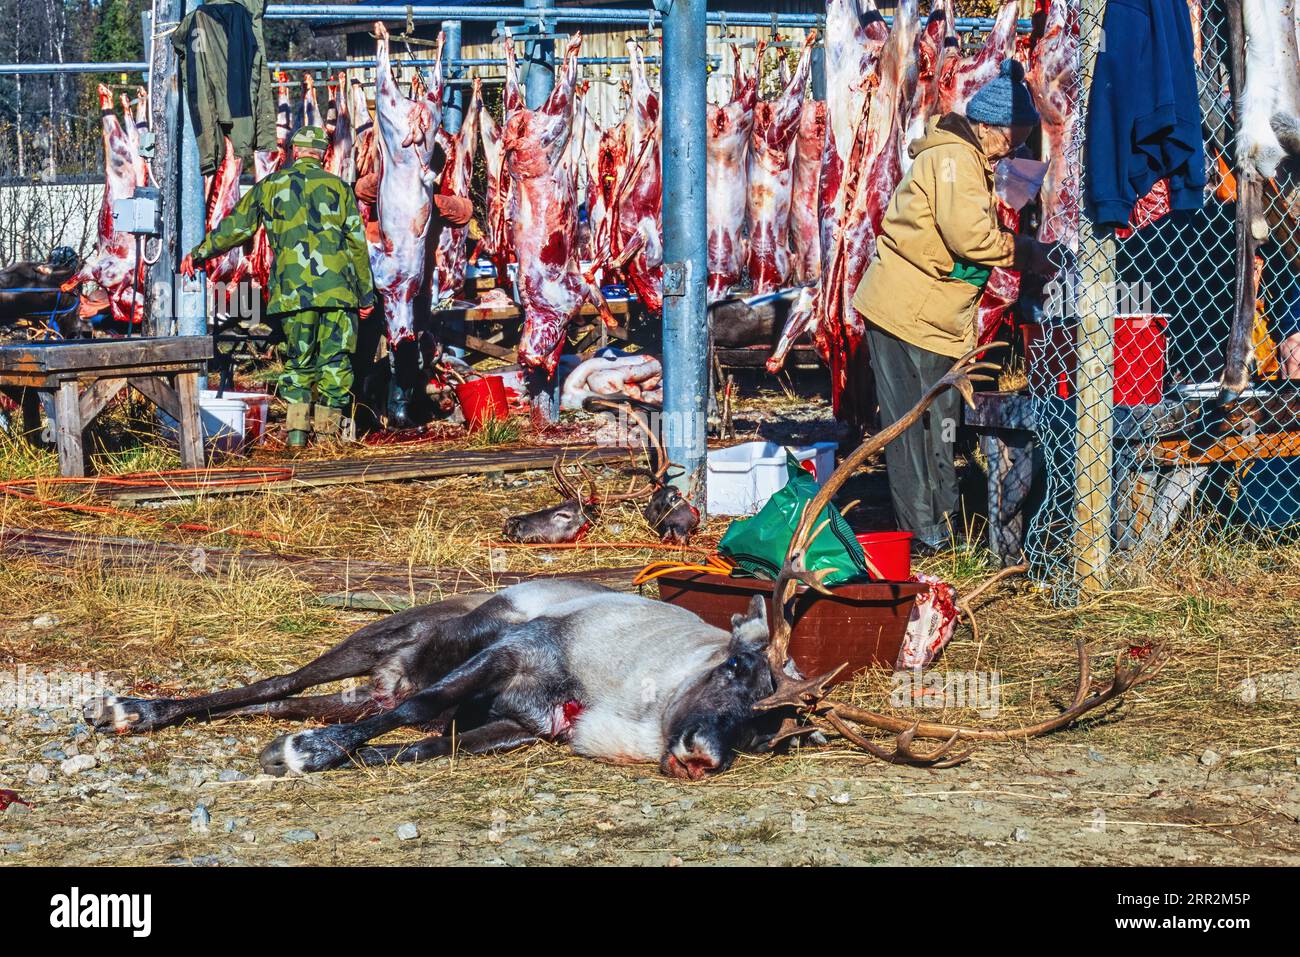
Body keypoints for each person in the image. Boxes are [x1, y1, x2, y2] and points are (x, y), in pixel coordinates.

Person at [852, 59, 1057, 555]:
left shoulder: (973, 161)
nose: (1017, 145)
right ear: (988, 126)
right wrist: (1026, 253)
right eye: (1014, 135)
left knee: (941, 422)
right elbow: (969, 237)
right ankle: (923, 534)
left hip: (935, 318)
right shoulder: (954, 160)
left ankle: (943, 521)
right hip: (906, 313)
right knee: (910, 427)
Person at [182, 126, 375, 447]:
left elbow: (236, 228)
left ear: (295, 152)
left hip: (293, 295)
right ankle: (329, 442)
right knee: (335, 362)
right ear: (324, 154)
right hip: (338, 295)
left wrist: (200, 253)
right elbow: (357, 245)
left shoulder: (270, 186)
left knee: (299, 363)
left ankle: (297, 440)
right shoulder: (340, 189)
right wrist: (365, 296)